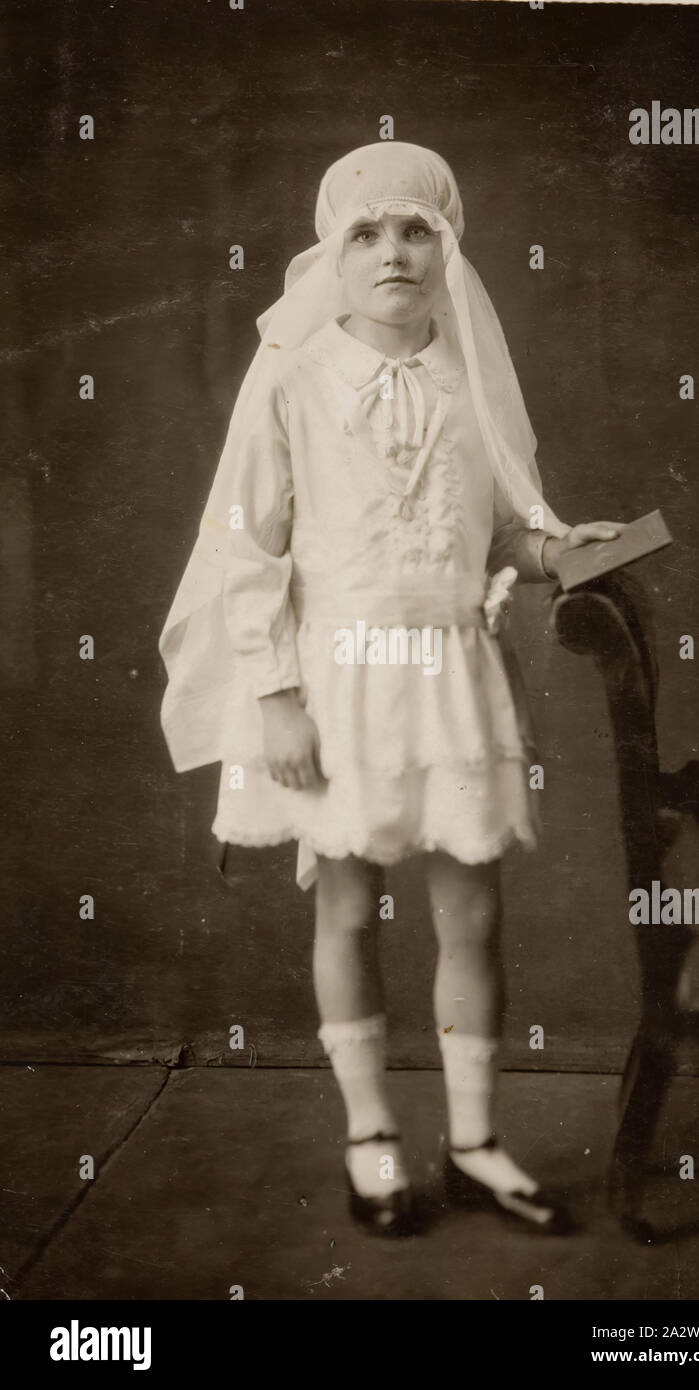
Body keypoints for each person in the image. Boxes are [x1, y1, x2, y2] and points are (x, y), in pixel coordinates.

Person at [159, 142, 622, 1237]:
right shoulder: (292, 374)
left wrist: (561, 548)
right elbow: (248, 546)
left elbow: (501, 522)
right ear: (331, 250)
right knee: (346, 904)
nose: (393, 252)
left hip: (448, 676)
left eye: (417, 229)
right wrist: (273, 693)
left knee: (471, 908)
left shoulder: (468, 379)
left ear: (446, 247)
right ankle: (370, 1136)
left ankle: (471, 1141)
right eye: (366, 232)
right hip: (337, 683)